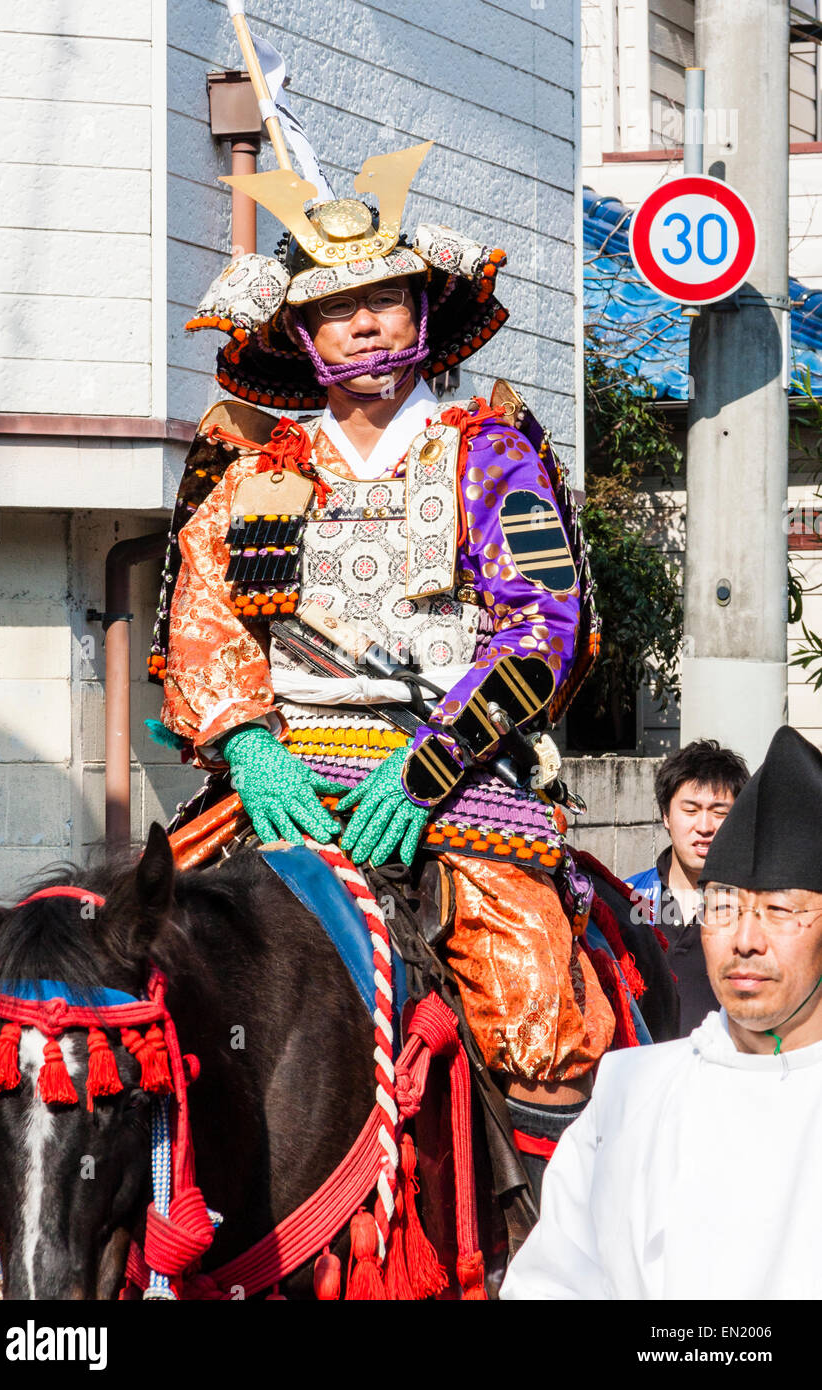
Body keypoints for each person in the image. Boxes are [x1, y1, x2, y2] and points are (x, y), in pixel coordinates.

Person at [149, 137, 629, 1209]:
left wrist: (429, 767)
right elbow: (203, 616)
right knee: (133, 970)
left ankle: (539, 1234)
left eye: (387, 300)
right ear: (299, 332)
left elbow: (540, 626)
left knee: (532, 1009)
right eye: (338, 308)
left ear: (423, 317)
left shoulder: (484, 449)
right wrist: (246, 742)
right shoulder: (259, 466)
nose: (366, 323)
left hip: (455, 775)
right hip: (277, 781)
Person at [501, 724, 822, 1300]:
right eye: (722, 907)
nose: (745, 939)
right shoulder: (631, 1090)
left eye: (779, 911)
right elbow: (553, 1281)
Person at [626, 739, 748, 1032]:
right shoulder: (628, 898)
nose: (705, 827)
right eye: (691, 810)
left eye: (720, 813)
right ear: (666, 816)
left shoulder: (756, 906)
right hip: (648, 1070)